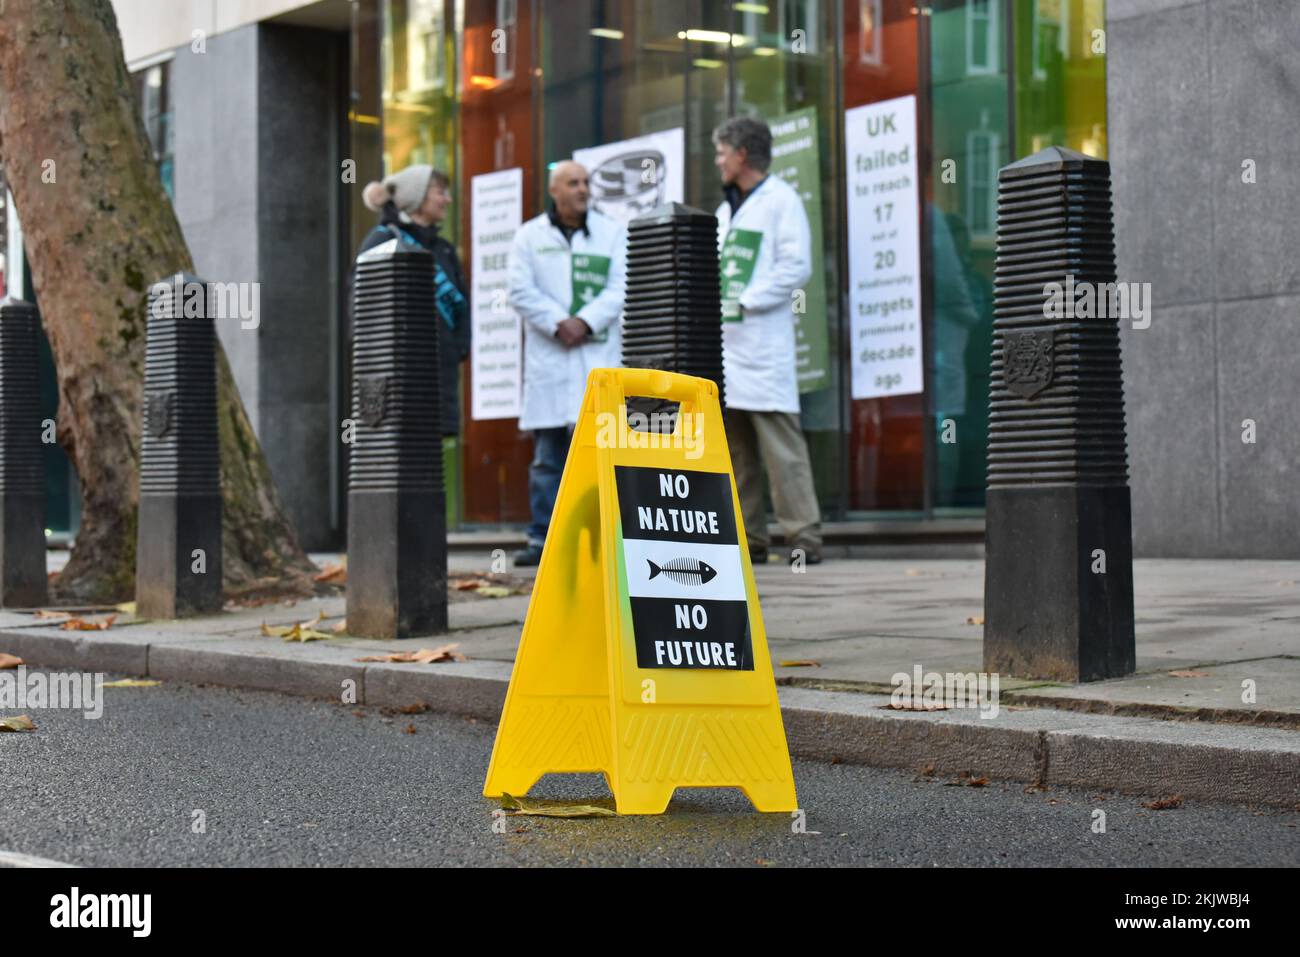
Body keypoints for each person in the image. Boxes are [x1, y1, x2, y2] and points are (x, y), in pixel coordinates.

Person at [713, 116, 823, 565]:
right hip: (730, 345)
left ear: (741, 155)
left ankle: (804, 536)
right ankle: (748, 537)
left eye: (721, 152)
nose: (717, 161)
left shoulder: (782, 200)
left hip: (763, 342)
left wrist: (747, 301)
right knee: (737, 450)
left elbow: (796, 267)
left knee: (781, 447)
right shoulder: (726, 210)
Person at [508, 160, 627, 566]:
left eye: (586, 182)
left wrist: (585, 321)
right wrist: (559, 323)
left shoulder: (612, 233)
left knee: (599, 453)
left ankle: (601, 537)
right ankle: (542, 539)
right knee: (547, 457)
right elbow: (519, 290)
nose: (582, 189)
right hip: (551, 358)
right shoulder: (529, 236)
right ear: (554, 191)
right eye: (573, 183)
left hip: (596, 354)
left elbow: (620, 286)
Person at [357, 165, 470, 450]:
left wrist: (459, 347)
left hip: (438, 373)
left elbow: (461, 306)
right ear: (416, 197)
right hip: (399, 381)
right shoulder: (381, 242)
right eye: (439, 192)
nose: (447, 199)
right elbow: (363, 314)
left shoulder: (443, 249)